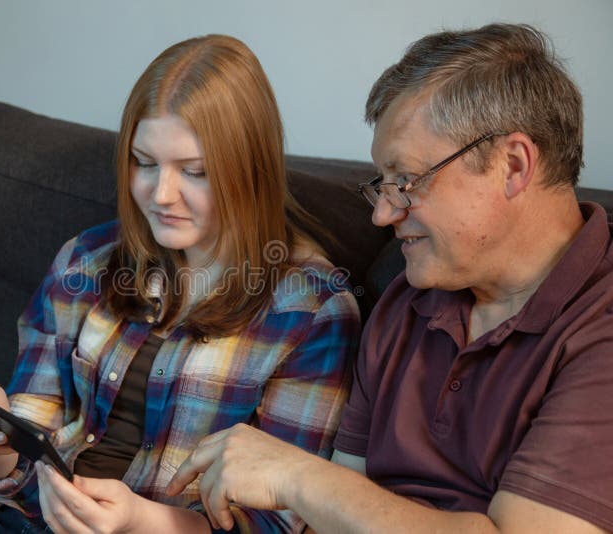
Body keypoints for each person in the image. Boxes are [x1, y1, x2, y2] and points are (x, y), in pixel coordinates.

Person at [0, 35, 359, 533]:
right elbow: (32, 439)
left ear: (251, 169)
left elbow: (279, 522)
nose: (160, 195)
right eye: (144, 163)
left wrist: (144, 522)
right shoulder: (87, 261)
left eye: (194, 171)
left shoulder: (311, 310)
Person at [168, 23, 613, 533]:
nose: (382, 215)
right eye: (383, 184)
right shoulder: (410, 299)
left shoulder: (598, 326)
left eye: (406, 181)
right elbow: (331, 518)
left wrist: (296, 476)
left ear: (512, 166)